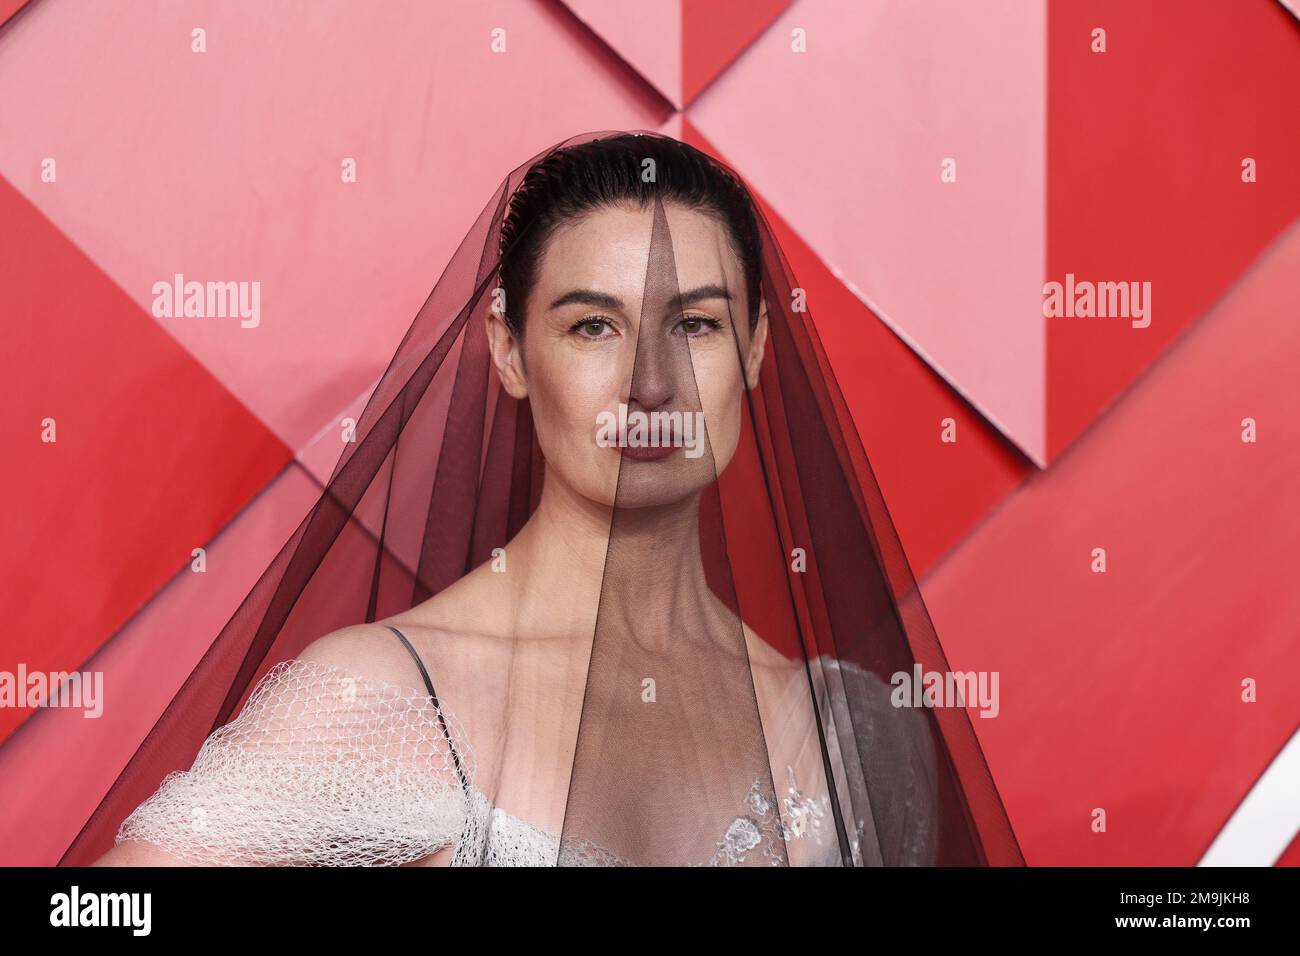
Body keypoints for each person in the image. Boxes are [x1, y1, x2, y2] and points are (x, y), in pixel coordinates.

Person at [78, 131, 1022, 867]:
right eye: (592, 326)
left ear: (759, 349)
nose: (653, 386)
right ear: (508, 351)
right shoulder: (386, 697)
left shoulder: (854, 729)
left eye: (694, 323)